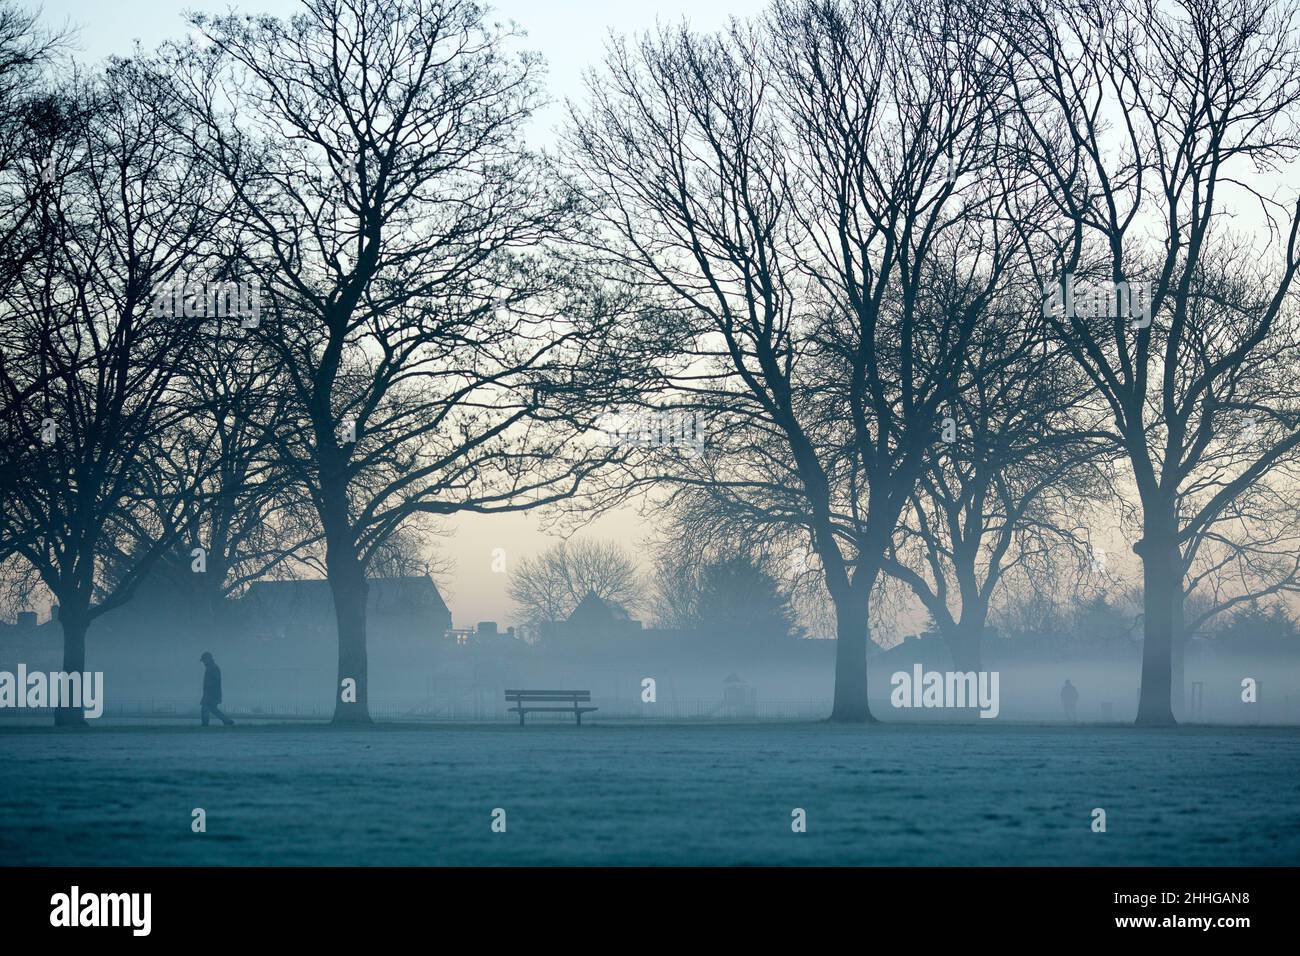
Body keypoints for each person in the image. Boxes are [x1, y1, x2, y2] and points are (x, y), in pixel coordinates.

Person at [200, 651, 235, 726]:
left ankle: (205, 724)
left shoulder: (213, 667)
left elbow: (217, 680)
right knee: (212, 709)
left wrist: (209, 685)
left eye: (204, 660)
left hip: (212, 693)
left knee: (205, 708)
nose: (203, 662)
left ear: (208, 659)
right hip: (211, 693)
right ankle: (227, 721)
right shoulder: (211, 667)